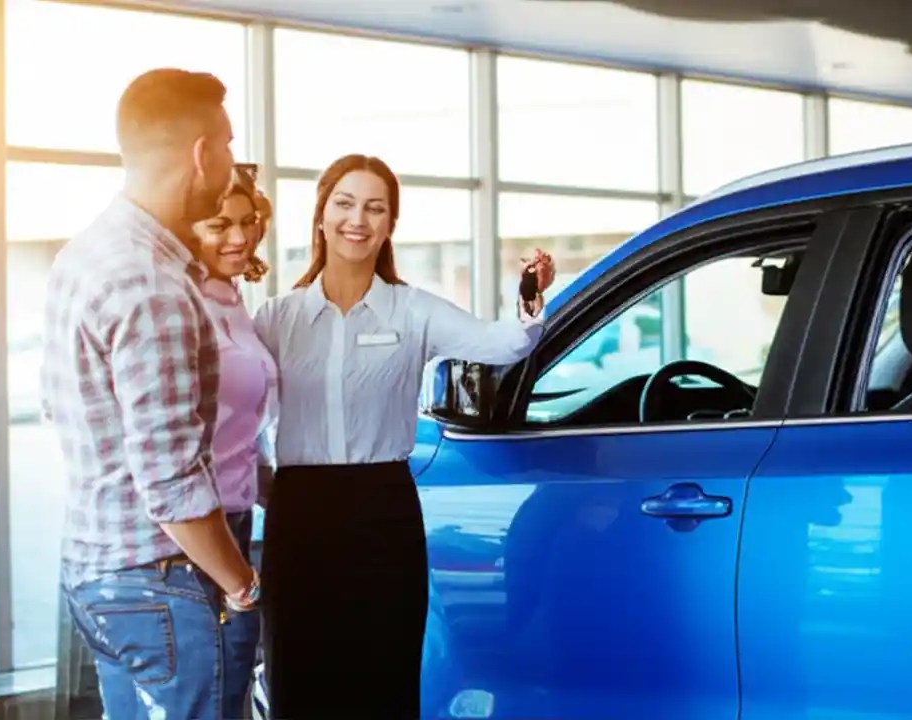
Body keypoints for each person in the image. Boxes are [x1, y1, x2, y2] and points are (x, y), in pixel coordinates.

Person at [252, 153, 555, 718]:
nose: (357, 219)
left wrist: (530, 298)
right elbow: (236, 403)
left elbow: (502, 344)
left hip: (382, 511)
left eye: (375, 208)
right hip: (299, 514)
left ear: (390, 224)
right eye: (344, 204)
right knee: (298, 682)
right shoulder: (276, 317)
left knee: (383, 682)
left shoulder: (411, 310)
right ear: (321, 215)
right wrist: (257, 478)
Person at [41, 68, 261, 720]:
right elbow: (172, 485)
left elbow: (59, 404)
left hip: (93, 573)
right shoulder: (154, 284)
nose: (229, 162)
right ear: (202, 153)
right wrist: (242, 586)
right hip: (163, 584)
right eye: (226, 144)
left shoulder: (81, 256)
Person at [187, 162, 278, 716]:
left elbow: (243, 429)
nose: (240, 237)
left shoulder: (231, 297)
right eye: (220, 225)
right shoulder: (183, 299)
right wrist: (238, 582)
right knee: (208, 696)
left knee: (231, 692)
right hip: (195, 535)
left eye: (247, 222)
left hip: (238, 519)